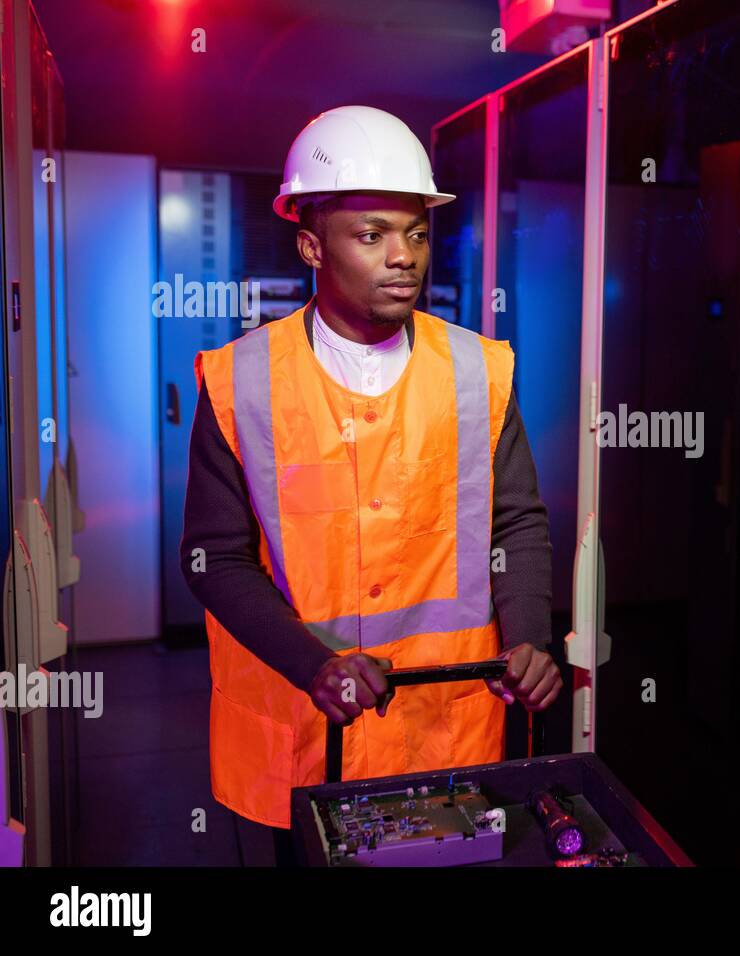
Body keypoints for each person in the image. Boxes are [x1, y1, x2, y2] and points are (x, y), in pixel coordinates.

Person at [180, 105, 561, 864]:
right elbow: (214, 559)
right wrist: (313, 665)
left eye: (417, 233)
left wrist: (528, 637)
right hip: (311, 732)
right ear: (311, 245)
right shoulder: (241, 382)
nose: (404, 257)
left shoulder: (477, 371)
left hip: (446, 729)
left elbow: (516, 523)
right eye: (372, 234)